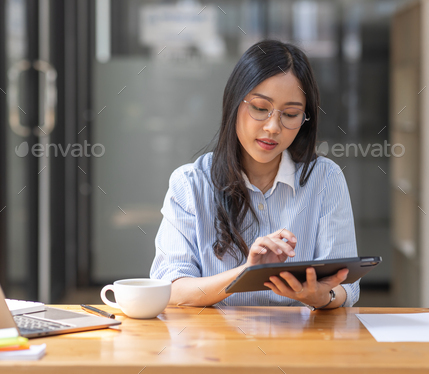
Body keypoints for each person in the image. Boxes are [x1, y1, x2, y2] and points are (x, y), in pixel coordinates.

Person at [150, 40, 358, 309]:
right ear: (235, 102)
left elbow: (345, 287)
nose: (273, 127)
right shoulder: (190, 184)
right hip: (213, 346)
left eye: (291, 114)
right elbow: (172, 289)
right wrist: (248, 273)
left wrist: (323, 297)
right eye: (260, 108)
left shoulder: (325, 179)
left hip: (301, 344)